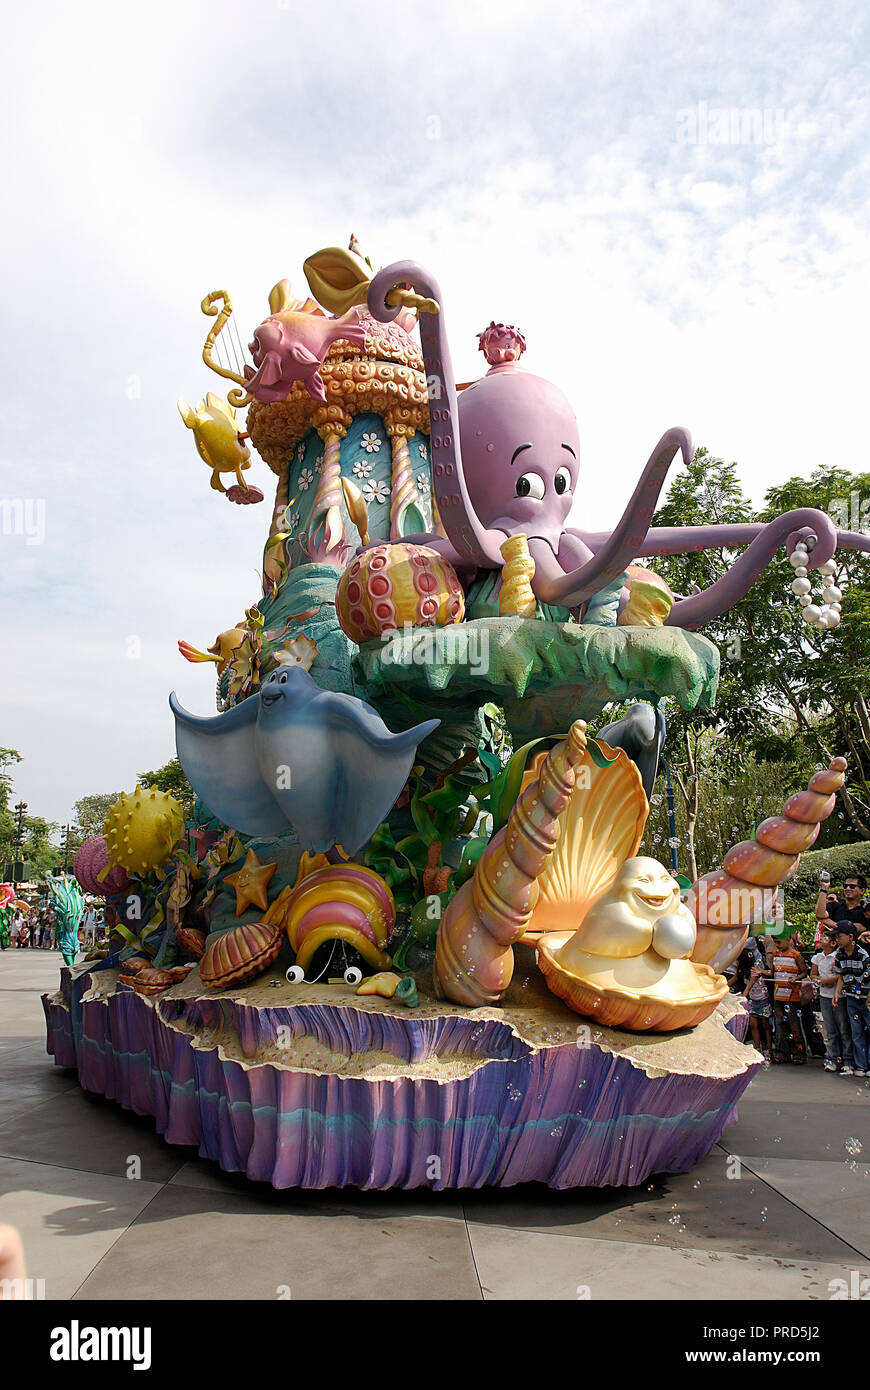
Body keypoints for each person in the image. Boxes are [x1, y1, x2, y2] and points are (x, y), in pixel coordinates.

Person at [812, 928, 854, 1074]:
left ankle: (847, 1060)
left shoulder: (838, 956)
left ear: (832, 943)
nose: (821, 938)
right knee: (830, 1029)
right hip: (824, 995)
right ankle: (832, 1058)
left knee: (843, 1029)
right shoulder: (818, 957)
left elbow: (841, 975)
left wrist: (829, 980)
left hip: (839, 996)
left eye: (825, 937)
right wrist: (819, 981)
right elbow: (813, 974)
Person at [832, 924, 870, 1077]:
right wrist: (837, 992)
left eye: (839, 936)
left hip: (865, 997)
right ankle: (861, 1066)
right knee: (856, 1032)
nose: (837, 940)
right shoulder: (839, 955)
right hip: (850, 997)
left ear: (851, 937)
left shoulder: (863, 955)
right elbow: (841, 975)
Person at [771, 930, 808, 1064]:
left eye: (779, 942)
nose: (777, 946)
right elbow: (773, 972)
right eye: (775, 943)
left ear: (788, 939)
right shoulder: (775, 954)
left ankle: (799, 1052)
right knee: (780, 1025)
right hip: (778, 996)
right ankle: (781, 1052)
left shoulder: (796, 955)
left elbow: (804, 972)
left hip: (792, 997)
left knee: (794, 1025)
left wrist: (796, 978)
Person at [741, 943, 773, 1060]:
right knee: (753, 1025)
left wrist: (743, 995)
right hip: (753, 1001)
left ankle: (768, 1049)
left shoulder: (755, 971)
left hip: (763, 1000)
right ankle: (757, 1047)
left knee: (765, 1025)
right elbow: (735, 977)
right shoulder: (742, 972)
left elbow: (749, 985)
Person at [816, 872, 870, 939]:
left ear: (862, 890)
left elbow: (857, 928)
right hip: (835, 948)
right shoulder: (835, 906)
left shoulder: (865, 910)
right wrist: (824, 888)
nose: (847, 888)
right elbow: (819, 915)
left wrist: (830, 922)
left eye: (852, 886)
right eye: (845, 886)